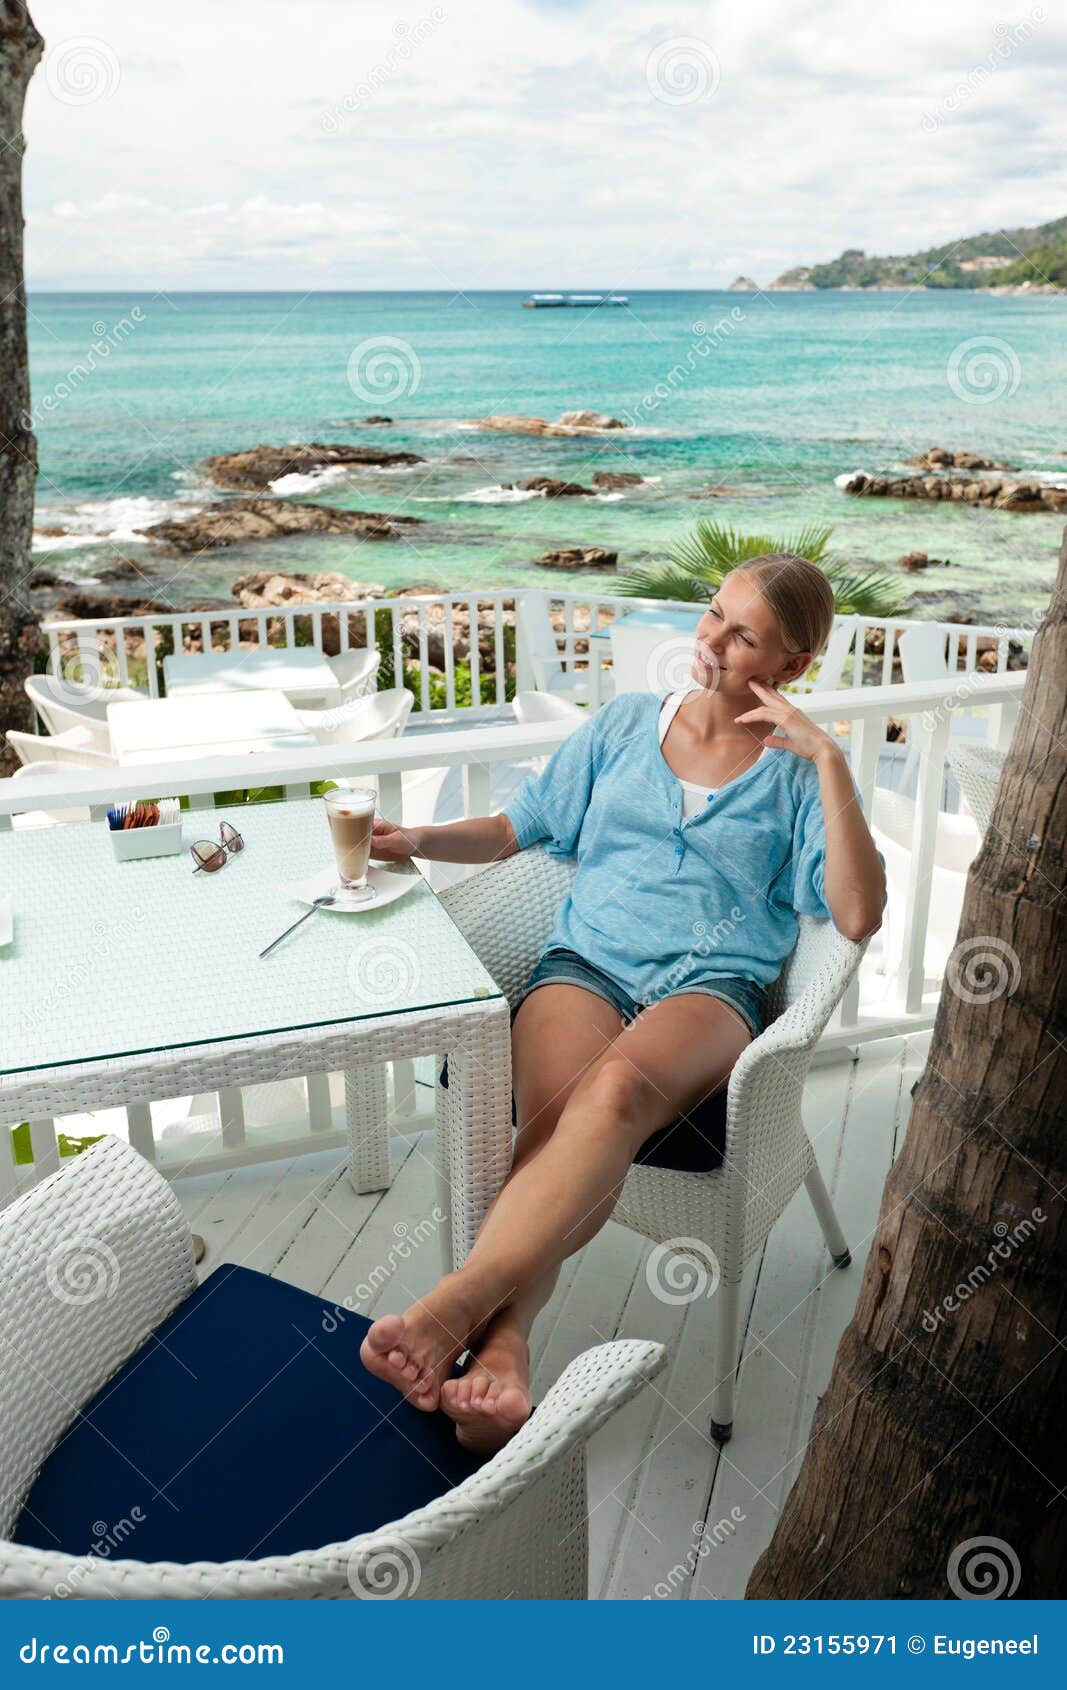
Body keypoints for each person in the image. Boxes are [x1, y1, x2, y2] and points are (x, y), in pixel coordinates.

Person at [360, 555, 886, 1453]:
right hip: (585, 967)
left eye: (742, 634)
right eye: (712, 614)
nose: (710, 640)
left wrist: (831, 761)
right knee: (556, 1114)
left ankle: (453, 1305)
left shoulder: (800, 777)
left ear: (791, 667)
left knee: (612, 1097)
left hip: (709, 991)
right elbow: (516, 827)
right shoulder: (617, 729)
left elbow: (857, 912)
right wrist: (416, 837)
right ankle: (506, 1352)